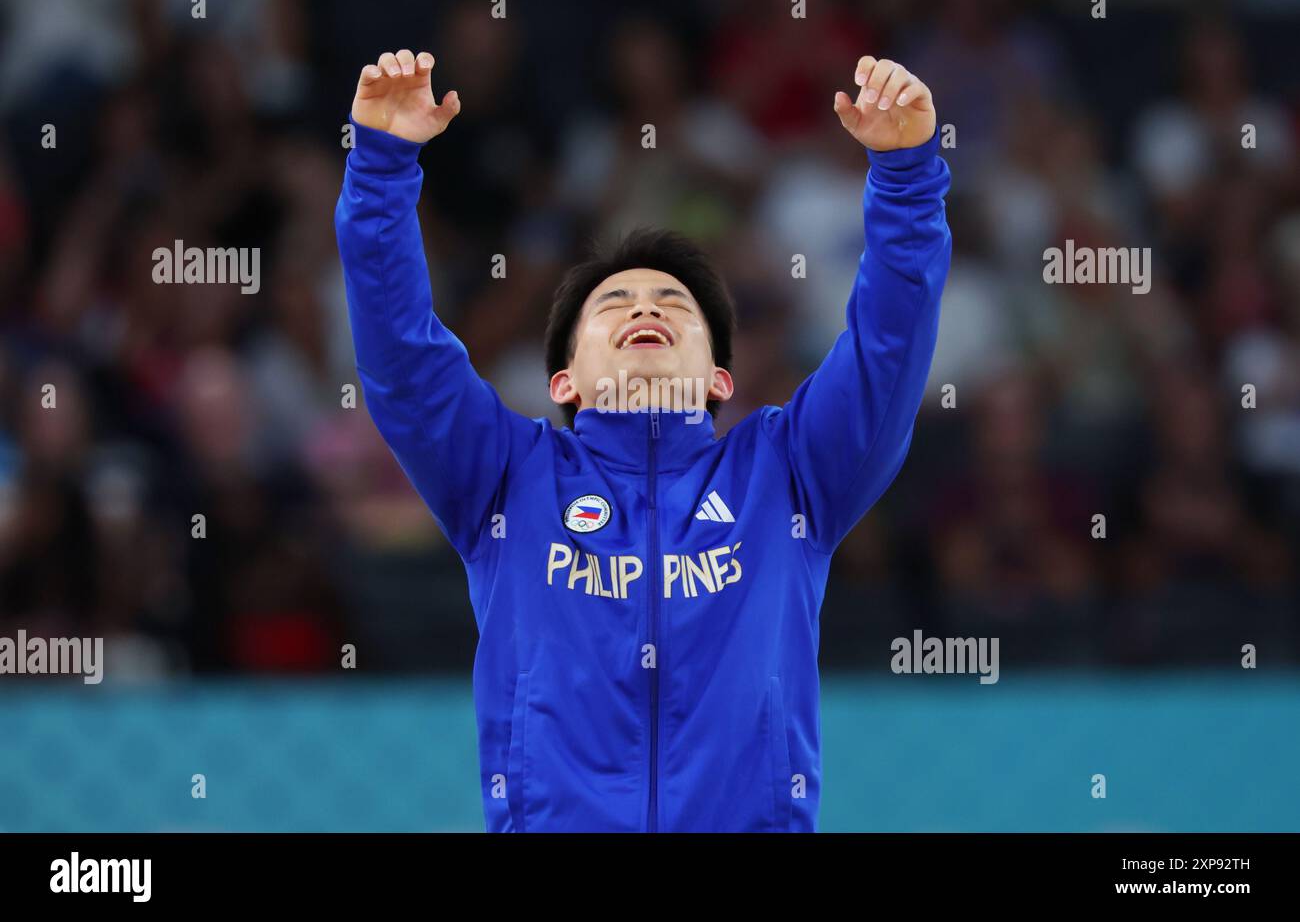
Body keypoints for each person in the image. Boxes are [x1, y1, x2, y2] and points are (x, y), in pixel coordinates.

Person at [335, 48, 951, 831]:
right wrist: (382, 168)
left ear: (720, 380)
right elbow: (401, 355)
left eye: (673, 302)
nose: (644, 308)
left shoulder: (788, 472)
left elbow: (887, 352)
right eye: (613, 303)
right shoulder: (504, 476)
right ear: (563, 382)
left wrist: (905, 177)